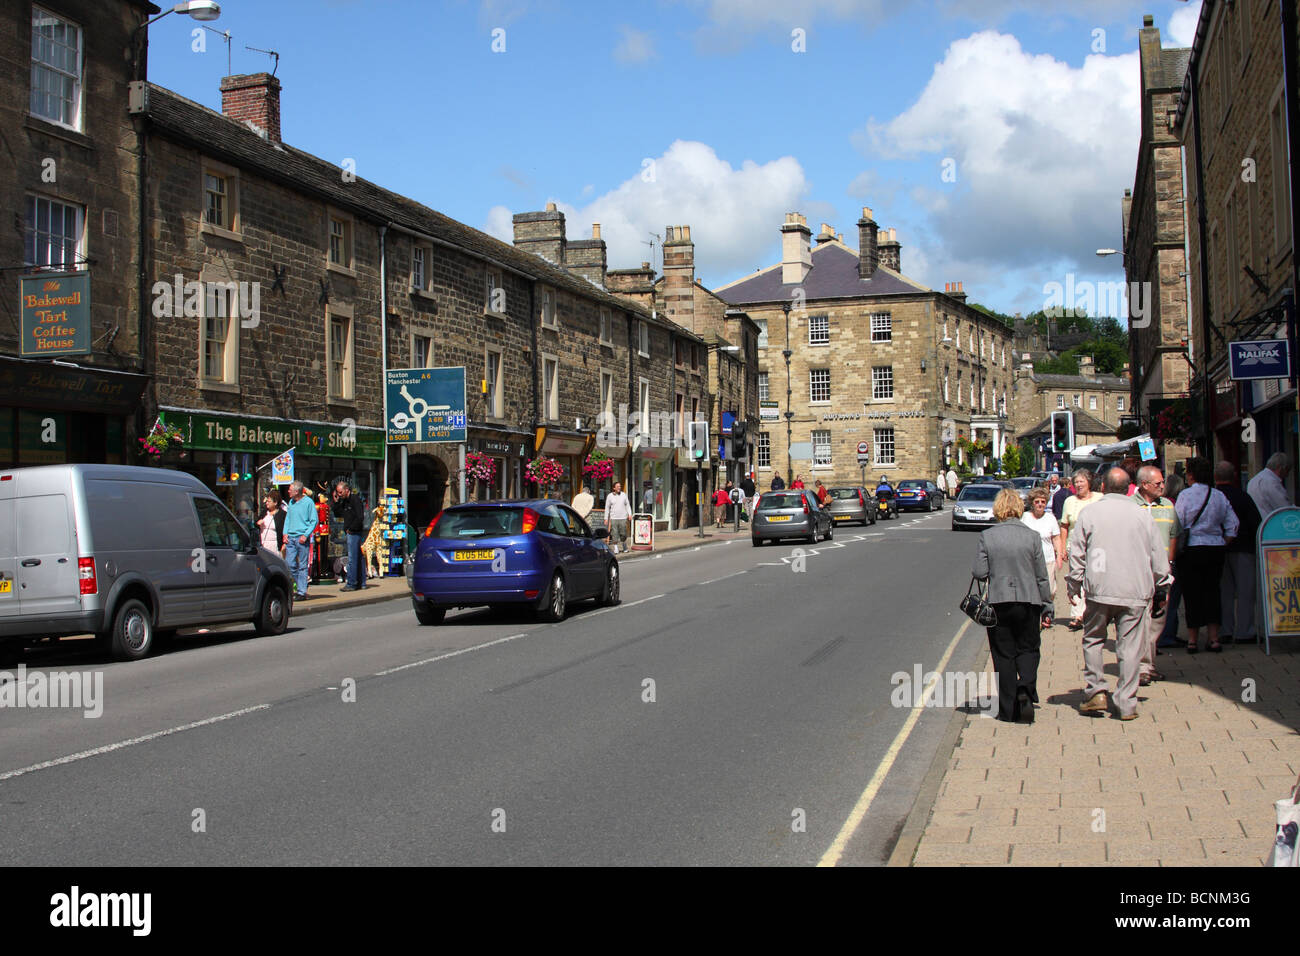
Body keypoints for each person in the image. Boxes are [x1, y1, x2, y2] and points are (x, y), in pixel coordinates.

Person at [1067, 467, 1172, 721]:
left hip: (1100, 589)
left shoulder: (1089, 513)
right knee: (1130, 647)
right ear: (1129, 489)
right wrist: (1162, 584)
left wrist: (1074, 585)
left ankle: (1096, 692)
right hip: (1135, 590)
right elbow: (1158, 556)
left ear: (1103, 487)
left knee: (1093, 639)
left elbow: (1077, 553)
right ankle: (1126, 703)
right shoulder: (1143, 515)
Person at [974, 489, 1053, 723]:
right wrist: (1047, 605)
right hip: (1029, 601)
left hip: (999, 602)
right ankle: (1025, 689)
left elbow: (979, 572)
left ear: (998, 509)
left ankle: (1007, 711)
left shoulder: (987, 536)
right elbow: (1042, 576)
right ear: (1020, 508)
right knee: (1029, 649)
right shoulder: (1032, 536)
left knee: (1003, 655)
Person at [1174, 457, 1239, 653]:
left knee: (1192, 594)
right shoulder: (1218, 496)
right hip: (1215, 549)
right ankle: (1214, 639)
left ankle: (1193, 640)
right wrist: (1222, 541)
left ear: (1191, 475)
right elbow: (1233, 525)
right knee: (1213, 592)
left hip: (1192, 549)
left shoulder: (1185, 495)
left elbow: (1177, 523)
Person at [1134, 466, 1179, 683]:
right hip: (1138, 571)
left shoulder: (1168, 505)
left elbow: (1173, 535)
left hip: (1161, 572)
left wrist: (1169, 562)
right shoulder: (1131, 507)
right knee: (1141, 618)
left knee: (1157, 620)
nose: (1163, 486)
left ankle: (1148, 664)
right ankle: (1143, 667)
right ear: (1144, 485)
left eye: (1163, 482)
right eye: (1158, 483)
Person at [1215, 461, 1261, 645]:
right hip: (1243, 549)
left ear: (1216, 476)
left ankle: (1226, 630)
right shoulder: (1243, 497)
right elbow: (1256, 523)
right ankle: (1244, 632)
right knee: (1245, 592)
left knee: (1224, 592)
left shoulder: (1213, 497)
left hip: (1218, 549)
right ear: (1234, 476)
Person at [1058, 469, 1097, 629]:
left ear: (1089, 482)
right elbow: (1064, 526)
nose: (1078, 484)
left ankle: (1093, 613)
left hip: (1096, 547)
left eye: (1081, 481)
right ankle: (1077, 615)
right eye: (1076, 482)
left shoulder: (1099, 499)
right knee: (1076, 580)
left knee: (1094, 580)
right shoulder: (1069, 501)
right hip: (1075, 546)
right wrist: (1062, 548)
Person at [1021, 487, 1063, 597]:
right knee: (1031, 590)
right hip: (1029, 560)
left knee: (1049, 591)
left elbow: (1056, 538)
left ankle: (1047, 612)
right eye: (1037, 502)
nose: (1040, 504)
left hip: (1047, 560)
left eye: (1043, 502)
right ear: (1032, 503)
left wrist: (1059, 556)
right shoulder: (1024, 517)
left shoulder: (1050, 518)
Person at [332, 480, 368, 592]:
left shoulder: (355, 500)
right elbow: (338, 513)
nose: (339, 494)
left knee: (352, 558)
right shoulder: (344, 501)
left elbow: (360, 517)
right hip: (352, 531)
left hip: (354, 532)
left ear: (347, 490)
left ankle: (352, 583)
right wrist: (336, 502)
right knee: (359, 557)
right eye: (338, 492)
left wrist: (350, 529)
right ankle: (361, 582)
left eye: (340, 492)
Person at [283, 480, 317, 599]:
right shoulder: (291, 502)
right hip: (291, 538)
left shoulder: (308, 502)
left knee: (302, 566)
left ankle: (301, 591)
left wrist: (306, 535)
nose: (288, 491)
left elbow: (314, 521)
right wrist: (285, 533)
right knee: (289, 564)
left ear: (296, 491)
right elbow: (288, 518)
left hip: (302, 538)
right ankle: (300, 585)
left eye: (290, 490)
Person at [1247, 452, 1292, 520]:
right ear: (1281, 468)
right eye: (1287, 470)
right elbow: (1285, 508)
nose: (1287, 475)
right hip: (1272, 524)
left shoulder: (1253, 480)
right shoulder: (1272, 482)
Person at [604, 481, 632, 554]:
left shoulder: (624, 495)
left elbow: (628, 505)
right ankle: (616, 548)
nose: (619, 487)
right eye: (617, 486)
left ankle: (624, 544)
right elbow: (607, 507)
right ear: (614, 488)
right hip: (614, 518)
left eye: (620, 486)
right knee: (614, 534)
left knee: (623, 533)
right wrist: (606, 518)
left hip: (623, 517)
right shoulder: (610, 496)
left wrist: (630, 514)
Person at [257, 491, 287, 557]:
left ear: (275, 502)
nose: (266, 503)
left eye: (269, 501)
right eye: (266, 501)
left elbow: (286, 530)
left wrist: (284, 544)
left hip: (275, 545)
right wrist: (258, 524)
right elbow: (256, 525)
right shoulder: (264, 512)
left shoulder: (282, 514)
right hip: (263, 544)